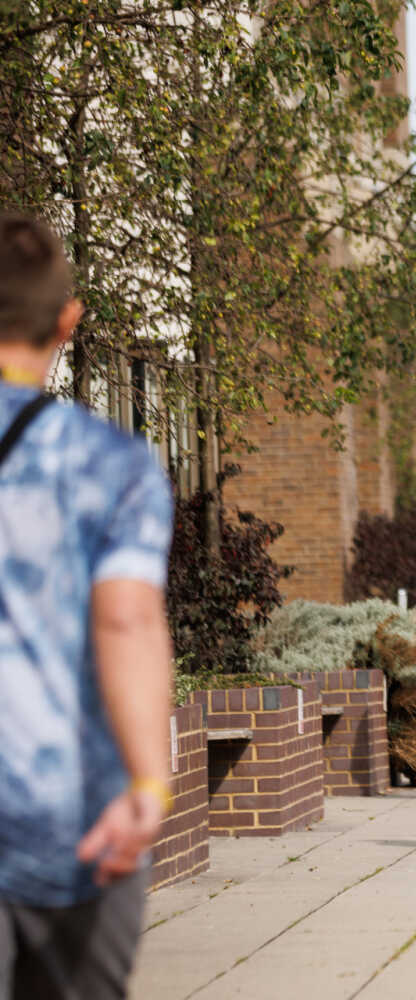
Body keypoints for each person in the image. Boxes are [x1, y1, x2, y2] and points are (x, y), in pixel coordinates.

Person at [0, 214, 174, 997]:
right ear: (68, 323)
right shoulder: (114, 465)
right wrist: (149, 784)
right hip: (75, 821)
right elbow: (127, 619)